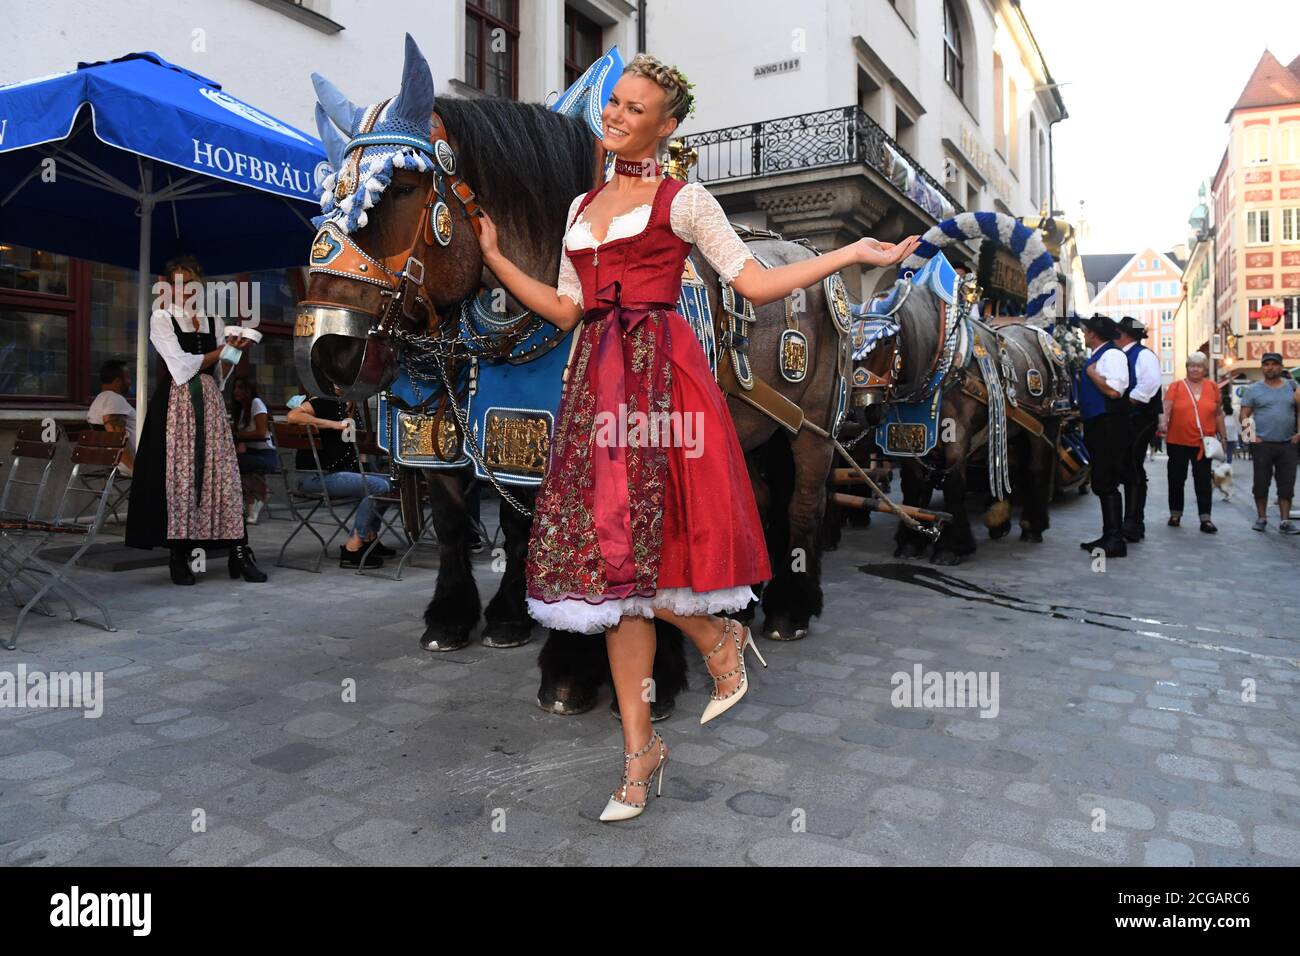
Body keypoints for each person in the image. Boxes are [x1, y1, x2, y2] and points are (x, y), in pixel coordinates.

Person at [474, 53, 920, 822]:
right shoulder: (579, 207)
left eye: (635, 108)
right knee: (612, 578)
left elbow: (749, 282)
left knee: (637, 556)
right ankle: (642, 751)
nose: (615, 115)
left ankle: (714, 634)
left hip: (659, 377)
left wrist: (846, 256)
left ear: (666, 126)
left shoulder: (686, 201)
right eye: (613, 102)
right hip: (594, 381)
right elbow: (565, 309)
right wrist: (490, 257)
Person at [125, 255, 266, 584]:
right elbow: (181, 366)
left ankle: (239, 553)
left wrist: (235, 350)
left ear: (198, 285)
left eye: (188, 283)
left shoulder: (213, 319)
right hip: (176, 403)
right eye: (176, 283)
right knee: (181, 478)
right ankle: (179, 554)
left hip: (210, 401)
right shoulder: (161, 317)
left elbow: (220, 374)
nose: (182, 289)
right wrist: (221, 350)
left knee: (224, 477)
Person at [287, 389, 397, 568]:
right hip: (316, 476)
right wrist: (333, 424)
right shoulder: (325, 401)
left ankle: (369, 538)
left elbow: (354, 448)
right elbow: (293, 416)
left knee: (390, 482)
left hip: (336, 474)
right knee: (377, 486)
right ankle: (352, 548)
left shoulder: (352, 411)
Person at [1076, 314, 1131, 557]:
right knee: (1101, 480)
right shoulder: (1100, 355)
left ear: (1094, 334)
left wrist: (1091, 374)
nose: (1083, 334)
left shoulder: (1113, 355)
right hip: (1098, 423)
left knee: (1106, 481)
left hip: (1109, 424)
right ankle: (1109, 534)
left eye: (1086, 331)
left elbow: (1115, 391)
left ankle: (1115, 539)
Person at [1160, 351, 1225, 533]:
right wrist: (1163, 424)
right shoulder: (1176, 386)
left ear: (1205, 369)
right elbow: (1167, 408)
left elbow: (1218, 413)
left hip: (1204, 443)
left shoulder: (1213, 387)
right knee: (1176, 479)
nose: (1195, 369)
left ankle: (1205, 519)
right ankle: (1175, 514)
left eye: (1199, 366)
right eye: (1191, 365)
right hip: (1177, 440)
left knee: (1203, 481)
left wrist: (1224, 436)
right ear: (1187, 368)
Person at [1239, 352, 1300, 533]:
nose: (1270, 367)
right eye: (1267, 364)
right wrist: (1251, 436)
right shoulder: (1254, 390)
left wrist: (1299, 433)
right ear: (1262, 367)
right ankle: (1261, 518)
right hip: (1263, 444)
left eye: (1274, 364)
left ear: (1281, 367)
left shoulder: (1292, 387)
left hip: (1288, 443)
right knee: (1261, 482)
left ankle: (1285, 521)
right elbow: (1244, 414)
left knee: (1287, 483)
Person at [1116, 316, 1162, 541]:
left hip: (1141, 418)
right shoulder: (1125, 355)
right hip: (1130, 418)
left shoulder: (1143, 355)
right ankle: (1131, 520)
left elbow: (1150, 384)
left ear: (1123, 335)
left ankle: (1134, 523)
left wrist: (1126, 402)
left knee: (1133, 466)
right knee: (1129, 466)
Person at [230, 377, 277, 524]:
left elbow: (261, 432)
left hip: (265, 455)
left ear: (249, 390)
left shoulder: (256, 403)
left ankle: (253, 501)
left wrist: (238, 436)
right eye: (235, 388)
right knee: (233, 462)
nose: (236, 391)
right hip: (250, 452)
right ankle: (253, 501)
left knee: (238, 463)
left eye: (240, 388)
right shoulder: (241, 410)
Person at [86, 358, 136, 475]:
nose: (130, 382)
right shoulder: (113, 399)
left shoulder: (101, 399)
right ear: (118, 381)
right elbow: (117, 438)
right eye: (128, 377)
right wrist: (134, 469)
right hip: (133, 463)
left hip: (119, 462)